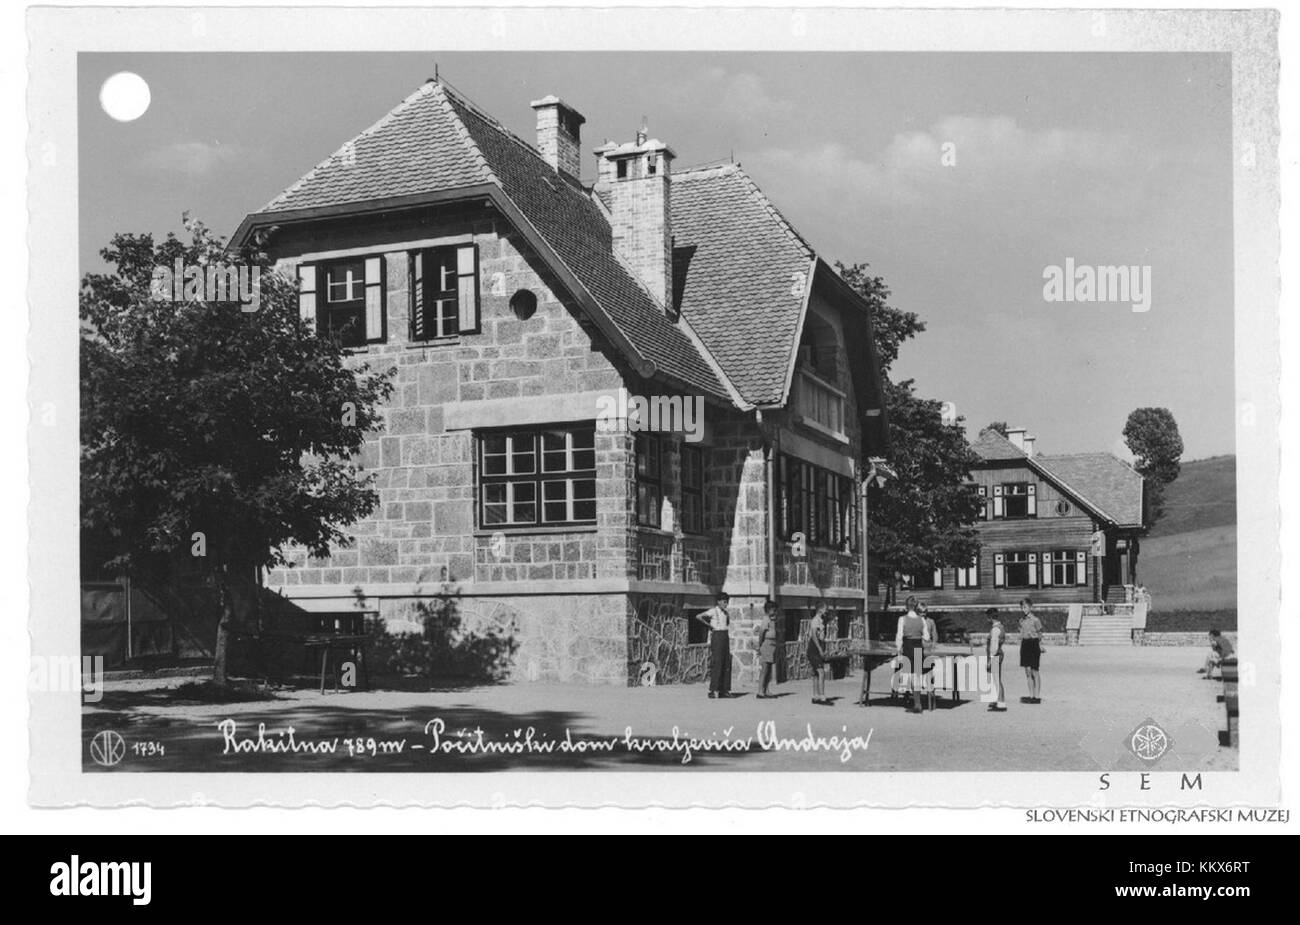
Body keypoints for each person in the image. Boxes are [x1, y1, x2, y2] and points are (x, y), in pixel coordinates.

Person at [894, 596, 930, 714]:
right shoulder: (922, 620)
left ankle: (916, 703)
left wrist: (898, 649)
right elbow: (927, 637)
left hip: (908, 647)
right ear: (916, 606)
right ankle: (917, 702)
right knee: (917, 676)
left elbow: (899, 636)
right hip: (918, 646)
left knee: (910, 675)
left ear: (906, 606)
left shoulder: (902, 619)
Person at [694, 592, 732, 699]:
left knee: (726, 663)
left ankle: (724, 690)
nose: (726, 604)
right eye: (724, 602)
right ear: (719, 602)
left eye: (727, 602)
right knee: (718, 662)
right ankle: (713, 690)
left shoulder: (726, 613)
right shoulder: (713, 611)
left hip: (725, 636)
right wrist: (710, 625)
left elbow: (727, 624)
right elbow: (699, 616)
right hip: (717, 635)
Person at [1018, 597, 1044, 703]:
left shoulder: (1036, 620)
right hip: (1025, 645)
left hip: (1033, 644)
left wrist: (1040, 645)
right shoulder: (1021, 620)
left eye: (1025, 607)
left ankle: (1037, 696)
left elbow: (1040, 634)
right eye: (1022, 607)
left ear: (1030, 607)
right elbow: (1021, 631)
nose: (1023, 609)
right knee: (1027, 672)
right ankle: (1031, 695)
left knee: (1035, 671)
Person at [807, 603, 830, 705]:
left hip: (818, 646)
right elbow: (814, 636)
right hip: (814, 648)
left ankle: (815, 696)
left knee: (816, 673)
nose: (827, 611)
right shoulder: (815, 621)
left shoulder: (821, 621)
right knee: (821, 672)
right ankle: (822, 697)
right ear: (820, 610)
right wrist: (820, 649)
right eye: (825, 609)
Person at [756, 600, 780, 698]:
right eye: (773, 610)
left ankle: (766, 689)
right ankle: (760, 691)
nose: (775, 612)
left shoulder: (772, 620)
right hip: (767, 643)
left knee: (769, 669)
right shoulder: (766, 619)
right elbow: (762, 632)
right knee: (765, 668)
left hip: (772, 644)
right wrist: (760, 644)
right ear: (768, 610)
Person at [985, 608, 1007, 711]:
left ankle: (1001, 703)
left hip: (995, 655)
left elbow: (993, 647)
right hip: (999, 654)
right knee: (996, 679)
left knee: (997, 680)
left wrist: (990, 660)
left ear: (990, 617)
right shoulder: (1000, 627)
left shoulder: (995, 629)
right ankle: (998, 700)